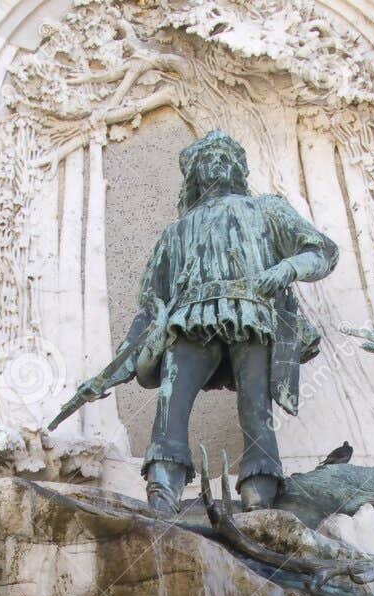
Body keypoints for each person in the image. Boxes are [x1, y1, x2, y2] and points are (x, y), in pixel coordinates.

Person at [54, 130, 337, 515]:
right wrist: (111, 372)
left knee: (255, 404)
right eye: (208, 159)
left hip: (251, 313)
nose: (217, 165)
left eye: (225, 158)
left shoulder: (266, 209)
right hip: (189, 320)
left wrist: (286, 269)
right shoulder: (174, 233)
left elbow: (321, 250)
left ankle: (260, 484)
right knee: (173, 398)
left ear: (238, 168)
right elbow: (151, 309)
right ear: (194, 174)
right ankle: (164, 478)